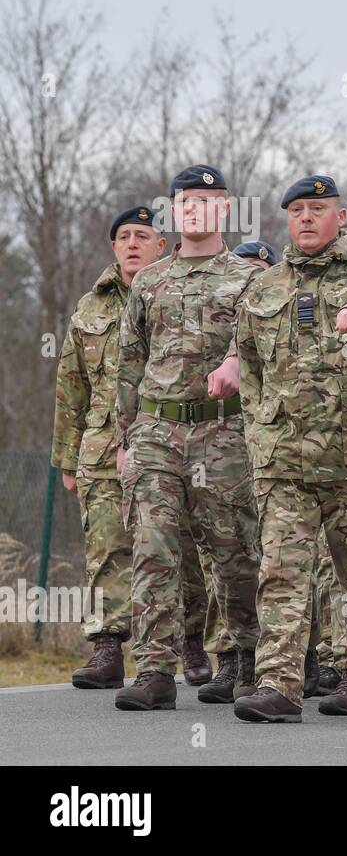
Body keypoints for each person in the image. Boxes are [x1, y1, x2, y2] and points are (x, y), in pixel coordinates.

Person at [232, 174, 347, 723]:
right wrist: (260, 438)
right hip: (285, 460)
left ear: (340, 217)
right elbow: (249, 371)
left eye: (318, 209)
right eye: (297, 211)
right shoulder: (263, 289)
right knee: (282, 572)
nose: (307, 218)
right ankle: (279, 685)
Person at [113, 165, 262, 712]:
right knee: (153, 548)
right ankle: (154, 668)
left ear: (224, 208)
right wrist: (125, 435)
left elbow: (263, 350)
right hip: (155, 430)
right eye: (184, 202)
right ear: (174, 211)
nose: (194, 210)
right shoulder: (150, 280)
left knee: (233, 553)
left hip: (222, 432)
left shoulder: (249, 279)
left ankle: (244, 657)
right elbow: (129, 362)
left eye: (205, 200)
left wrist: (235, 363)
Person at [53, 205, 168, 689]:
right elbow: (70, 384)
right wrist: (66, 457)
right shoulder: (90, 308)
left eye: (143, 235)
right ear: (113, 246)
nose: (133, 243)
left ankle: (175, 653)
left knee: (165, 549)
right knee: (105, 551)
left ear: (162, 245)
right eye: (124, 236)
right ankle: (107, 649)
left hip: (164, 441)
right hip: (100, 448)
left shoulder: (175, 293)